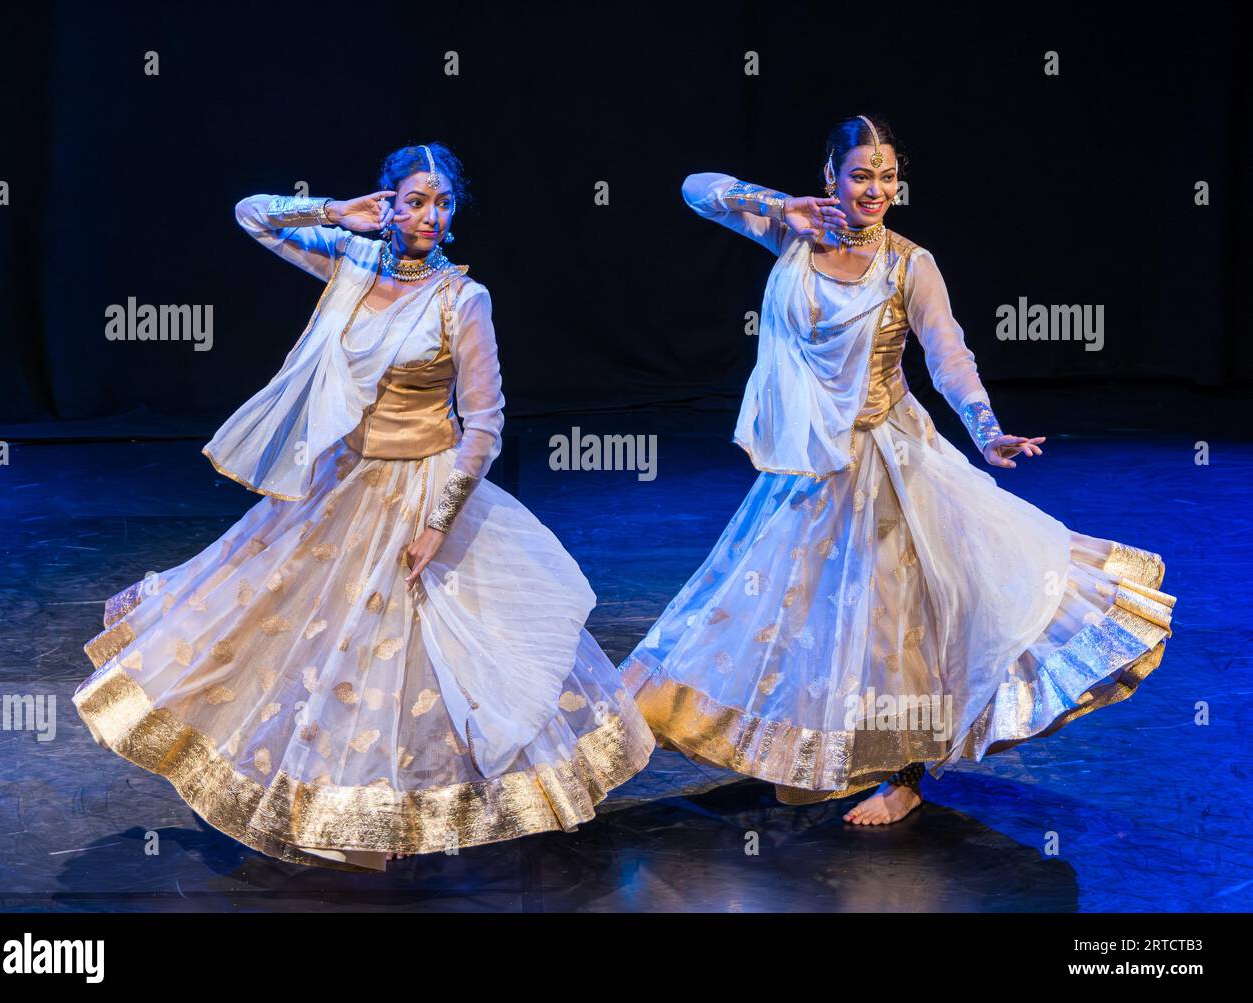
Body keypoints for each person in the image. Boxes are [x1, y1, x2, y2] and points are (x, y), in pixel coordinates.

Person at [74, 143, 654, 869]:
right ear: (388, 203)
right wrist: (336, 211)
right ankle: (322, 803)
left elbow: (485, 423)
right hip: (339, 485)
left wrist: (438, 522)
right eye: (413, 201)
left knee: (411, 661)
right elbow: (252, 215)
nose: (428, 216)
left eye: (442, 203)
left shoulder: (461, 300)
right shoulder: (351, 261)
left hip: (420, 490)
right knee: (284, 629)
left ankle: (397, 809)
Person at [621, 115, 1176, 825]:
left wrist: (986, 430)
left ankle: (907, 775)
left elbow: (947, 353)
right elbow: (695, 188)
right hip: (808, 464)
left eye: (887, 176)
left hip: (890, 458)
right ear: (831, 178)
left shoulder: (910, 262)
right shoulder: (795, 230)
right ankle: (818, 753)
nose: (877, 188)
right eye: (861, 174)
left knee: (891, 623)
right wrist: (776, 205)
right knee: (793, 613)